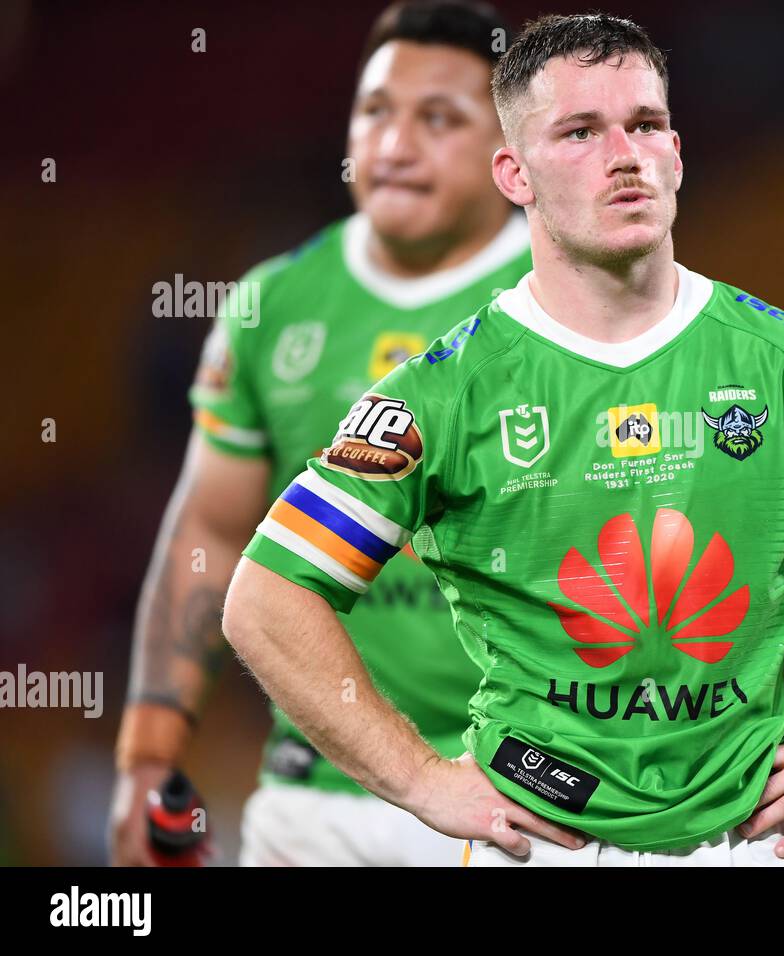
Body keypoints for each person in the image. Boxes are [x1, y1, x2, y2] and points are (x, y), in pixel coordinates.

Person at [222, 12, 784, 867]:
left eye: (646, 125)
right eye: (580, 132)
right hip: (541, 841)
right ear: (513, 174)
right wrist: (419, 780)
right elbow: (267, 598)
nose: (624, 154)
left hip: (753, 841)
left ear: (677, 152)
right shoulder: (441, 395)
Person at [109, 0, 530, 867]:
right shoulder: (272, 305)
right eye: (375, 111)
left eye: (438, 118)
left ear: (510, 154)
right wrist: (150, 754)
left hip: (524, 800)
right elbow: (211, 533)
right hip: (316, 798)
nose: (394, 143)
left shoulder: (579, 298)